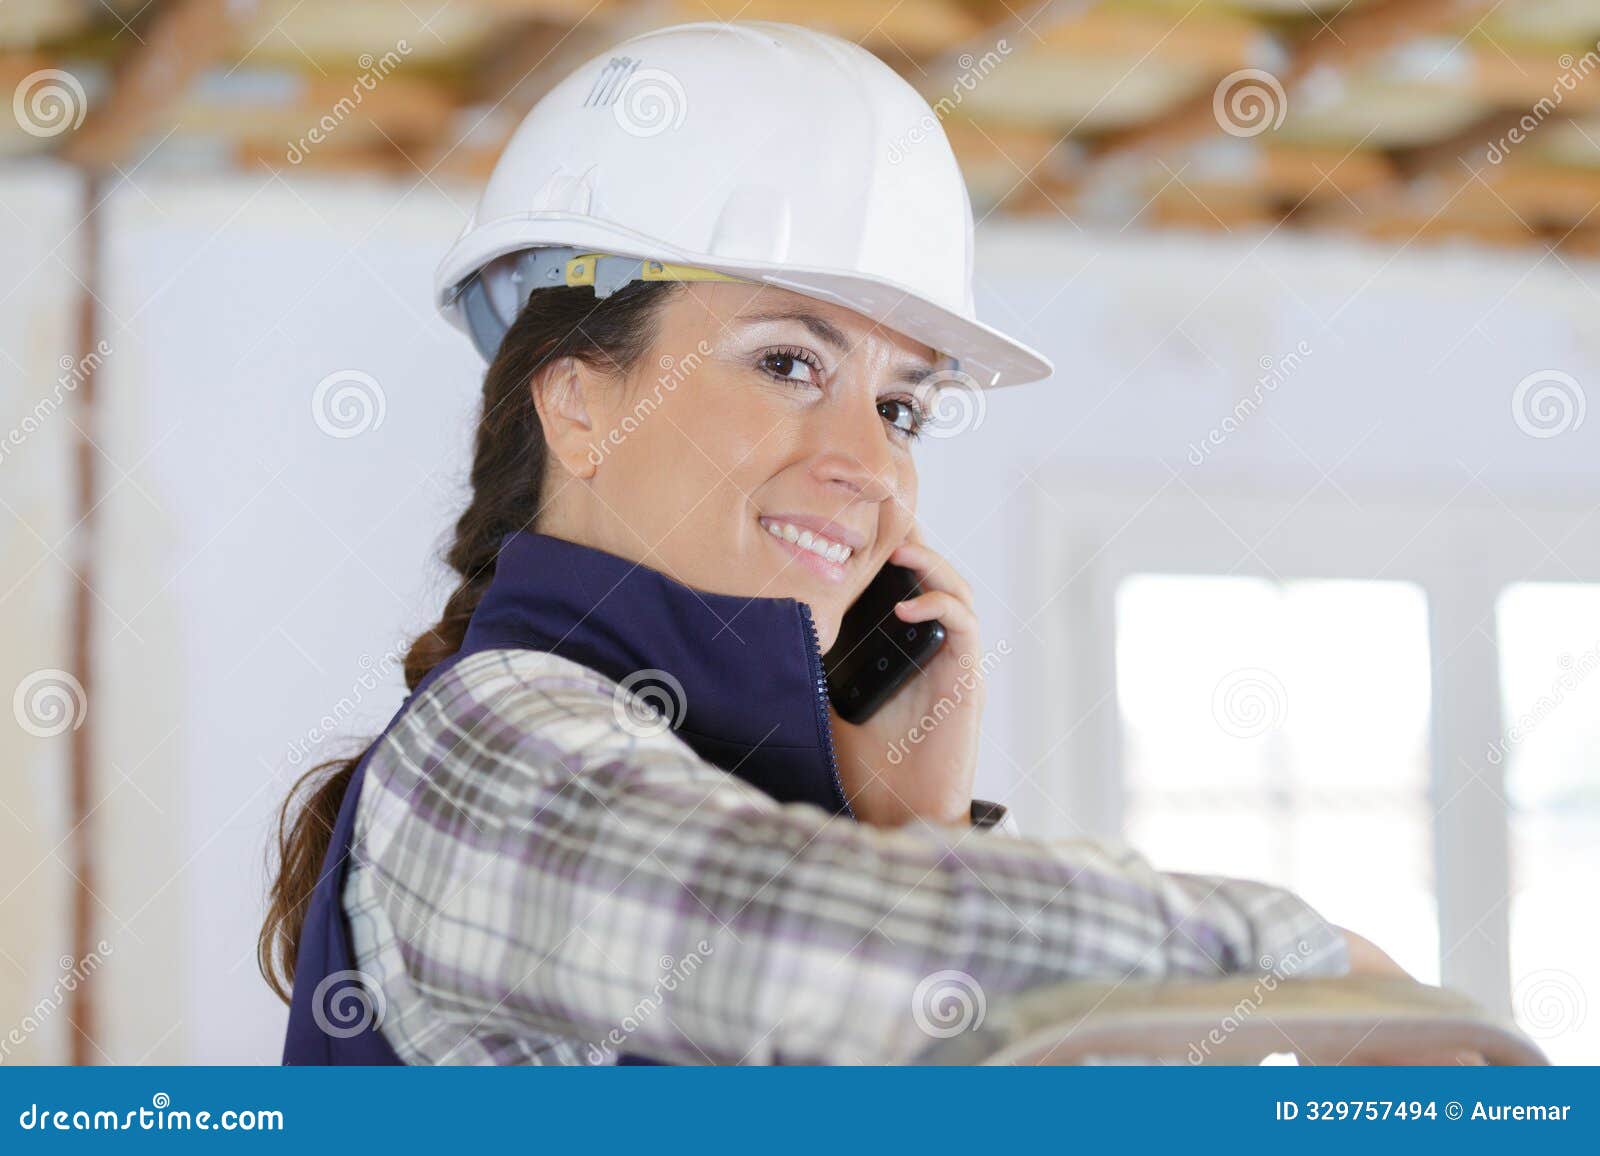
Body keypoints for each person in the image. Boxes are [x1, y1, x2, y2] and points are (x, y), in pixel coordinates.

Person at [261, 20, 1400, 1066]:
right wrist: (1305, 961)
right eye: (789, 363)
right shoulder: (491, 744)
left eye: (902, 406)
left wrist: (910, 829)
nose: (872, 464)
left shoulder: (736, 803)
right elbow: (822, 956)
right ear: (580, 407)